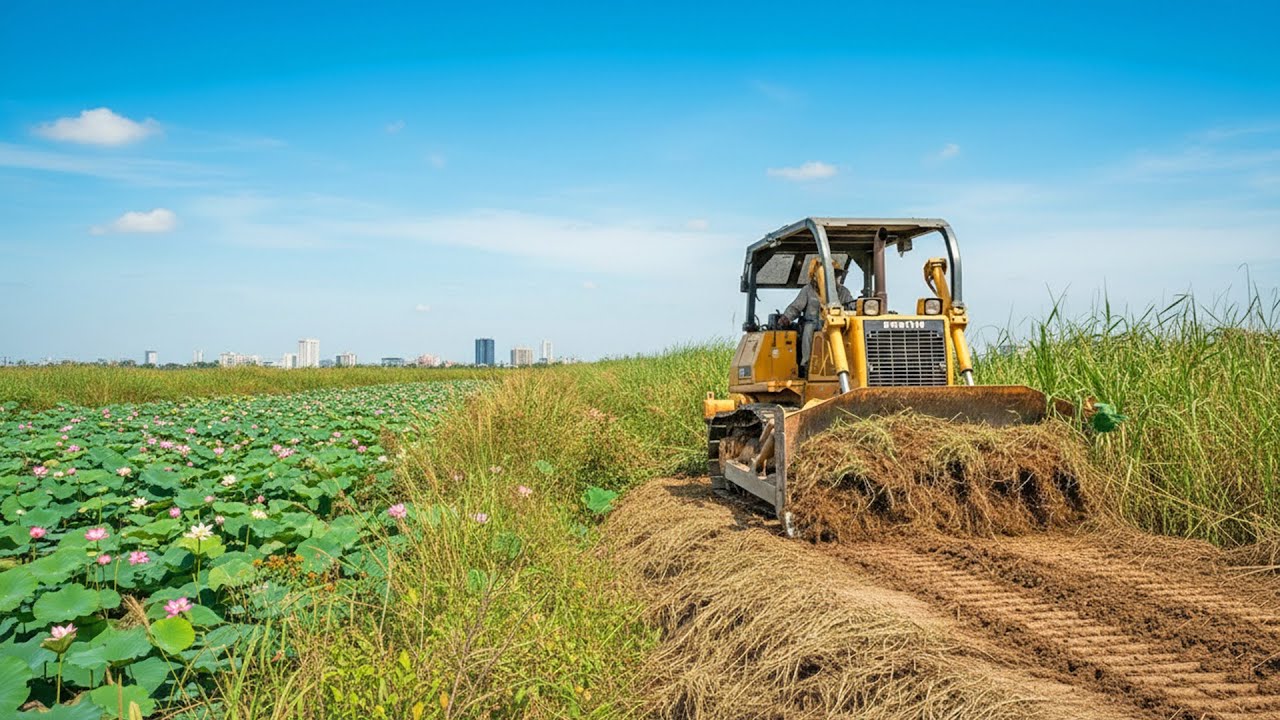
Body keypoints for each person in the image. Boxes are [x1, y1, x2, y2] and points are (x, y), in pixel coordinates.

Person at [777, 260, 856, 376]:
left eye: (836, 274)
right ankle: (806, 365)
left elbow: (852, 307)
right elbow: (796, 307)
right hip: (813, 325)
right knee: (808, 331)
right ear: (816, 275)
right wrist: (786, 318)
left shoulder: (843, 292)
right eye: (830, 274)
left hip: (835, 325)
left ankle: (843, 365)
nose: (834, 277)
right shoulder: (808, 290)